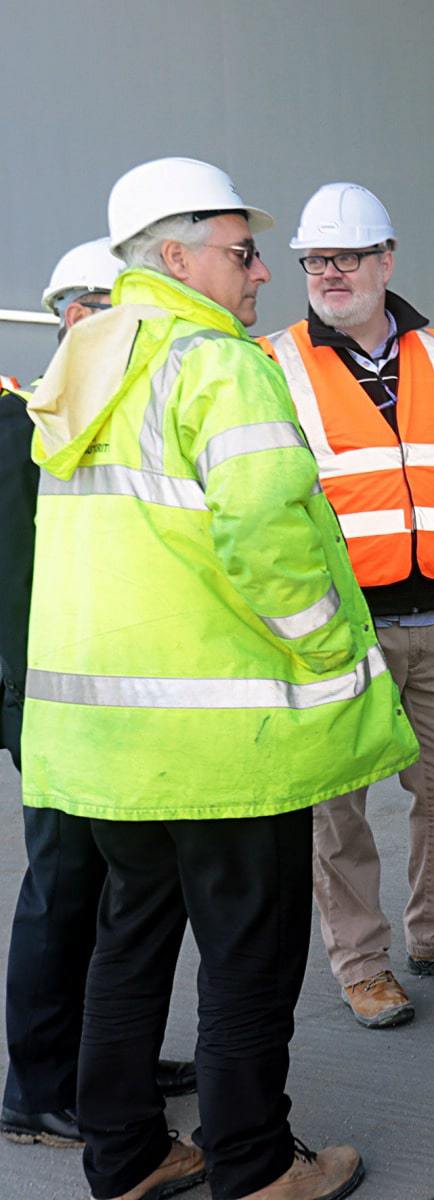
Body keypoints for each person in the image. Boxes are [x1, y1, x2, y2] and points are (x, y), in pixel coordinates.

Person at [23, 156, 416, 1200]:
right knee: (249, 959)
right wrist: (331, 646)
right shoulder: (217, 363)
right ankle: (253, 1168)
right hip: (222, 739)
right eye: (244, 254)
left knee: (129, 942)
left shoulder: (88, 361)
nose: (260, 277)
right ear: (175, 254)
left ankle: (129, 1154)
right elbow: (267, 535)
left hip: (113, 743)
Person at [261, 182, 434, 1031]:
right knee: (339, 810)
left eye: (346, 257)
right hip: (339, 623)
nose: (329, 273)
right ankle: (362, 963)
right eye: (314, 260)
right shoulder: (276, 362)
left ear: (386, 260)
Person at [2, 240, 203, 1152]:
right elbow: (20, 581)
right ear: (80, 316)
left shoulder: (80, 412)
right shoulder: (27, 422)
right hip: (46, 695)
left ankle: (103, 1058)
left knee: (113, 884)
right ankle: (40, 1085)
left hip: (86, 694)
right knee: (66, 885)